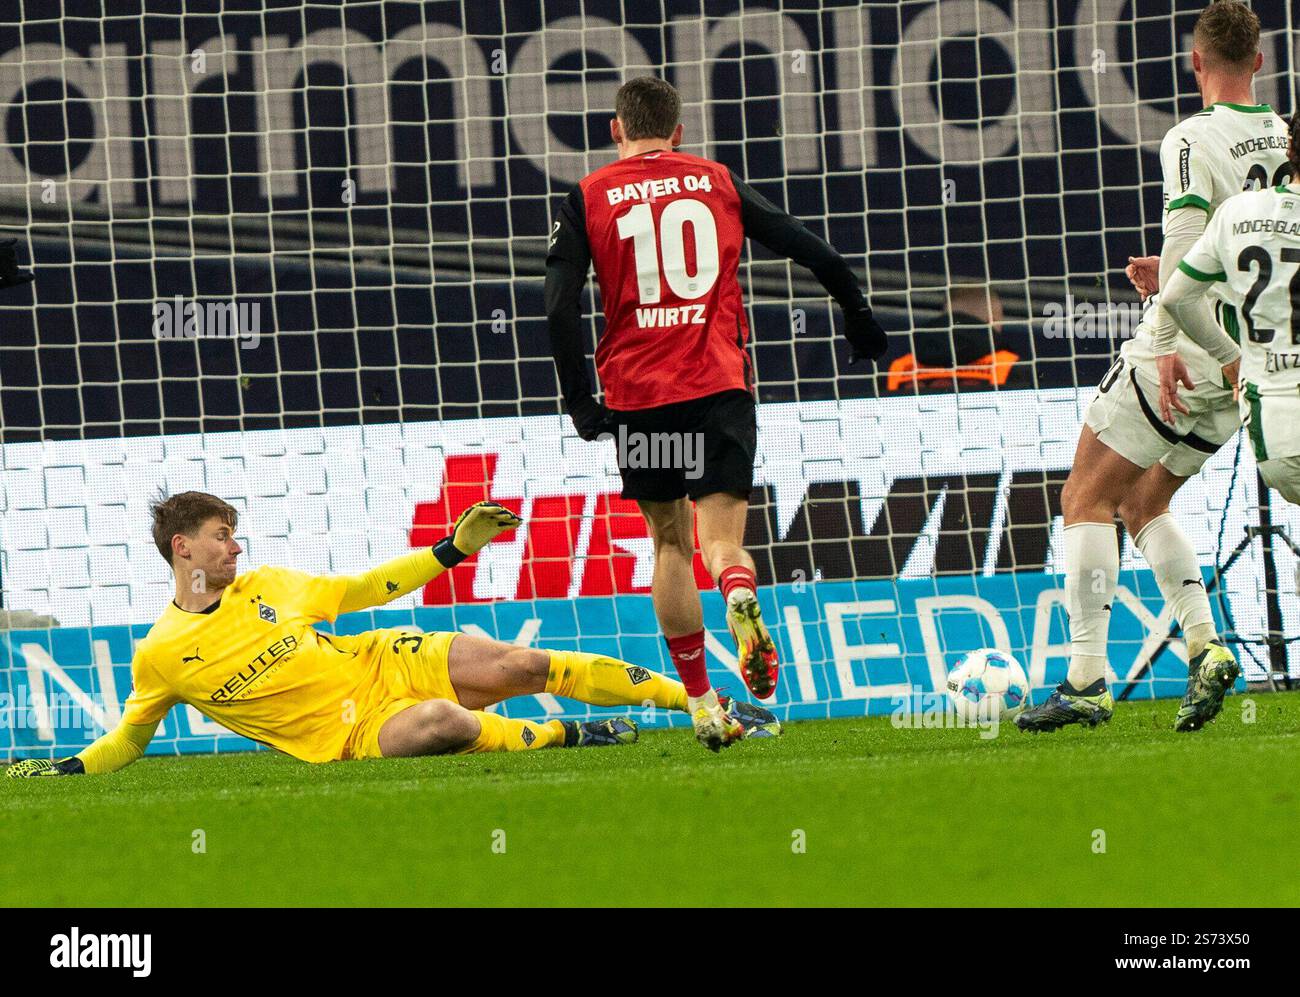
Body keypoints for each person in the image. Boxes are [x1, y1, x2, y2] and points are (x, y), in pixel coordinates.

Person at [545, 76, 886, 749]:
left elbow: (558, 304)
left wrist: (581, 400)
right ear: (679, 131)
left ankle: (701, 699)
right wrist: (859, 314)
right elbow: (809, 246)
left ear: (616, 130)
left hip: (642, 401)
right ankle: (735, 587)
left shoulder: (589, 195)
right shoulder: (715, 181)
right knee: (721, 541)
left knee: (669, 543)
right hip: (719, 390)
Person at [6, 491, 778, 778]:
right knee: (444, 724)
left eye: (236, 534)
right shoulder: (162, 653)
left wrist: (455, 547)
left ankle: (702, 705)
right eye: (220, 535)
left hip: (384, 659)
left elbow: (371, 587)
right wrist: (68, 768)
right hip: (355, 733)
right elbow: (130, 737)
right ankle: (559, 737)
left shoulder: (271, 586)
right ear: (183, 548)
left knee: (526, 659)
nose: (235, 547)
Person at [1017, 1, 1283, 734]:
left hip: (1193, 349)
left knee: (1084, 496)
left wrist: (1164, 332)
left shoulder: (1191, 138)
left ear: (1195, 62)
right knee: (1144, 504)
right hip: (1249, 366)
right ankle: (1206, 646)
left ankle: (1086, 679)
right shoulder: (1283, 136)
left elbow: (1188, 236)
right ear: (1259, 62)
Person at [1160, 115, 1300, 508]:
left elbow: (1175, 297)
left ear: (1288, 152)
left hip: (1273, 441)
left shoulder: (1238, 213)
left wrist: (1229, 357)